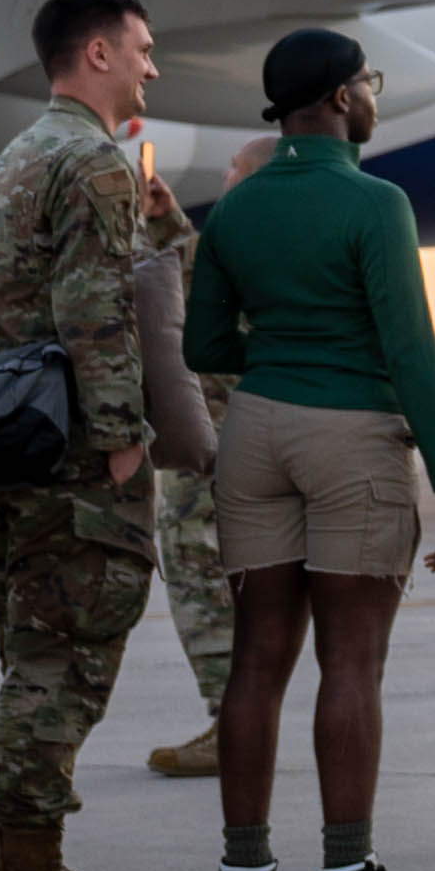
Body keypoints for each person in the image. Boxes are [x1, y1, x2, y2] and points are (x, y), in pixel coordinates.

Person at [184, 28, 435, 871]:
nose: (374, 96)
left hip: (255, 431)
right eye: (370, 83)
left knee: (256, 660)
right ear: (343, 98)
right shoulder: (375, 201)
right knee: (350, 660)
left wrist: (271, 354)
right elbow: (409, 345)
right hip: (350, 432)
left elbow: (201, 346)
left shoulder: (235, 208)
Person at [0, 0, 174, 871]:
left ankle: (5, 861)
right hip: (72, 451)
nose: (150, 66)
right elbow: (98, 311)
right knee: (65, 661)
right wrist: (125, 437)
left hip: (8, 439)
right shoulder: (92, 160)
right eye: (141, 49)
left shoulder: (20, 150)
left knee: (30, 655)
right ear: (95, 52)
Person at [143, 138, 277, 778]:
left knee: (198, 569)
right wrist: (167, 221)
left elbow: (196, 289)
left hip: (222, 445)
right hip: (267, 438)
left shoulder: (245, 241)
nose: (224, 178)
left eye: (234, 170)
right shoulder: (279, 240)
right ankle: (246, 721)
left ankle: (233, 725)